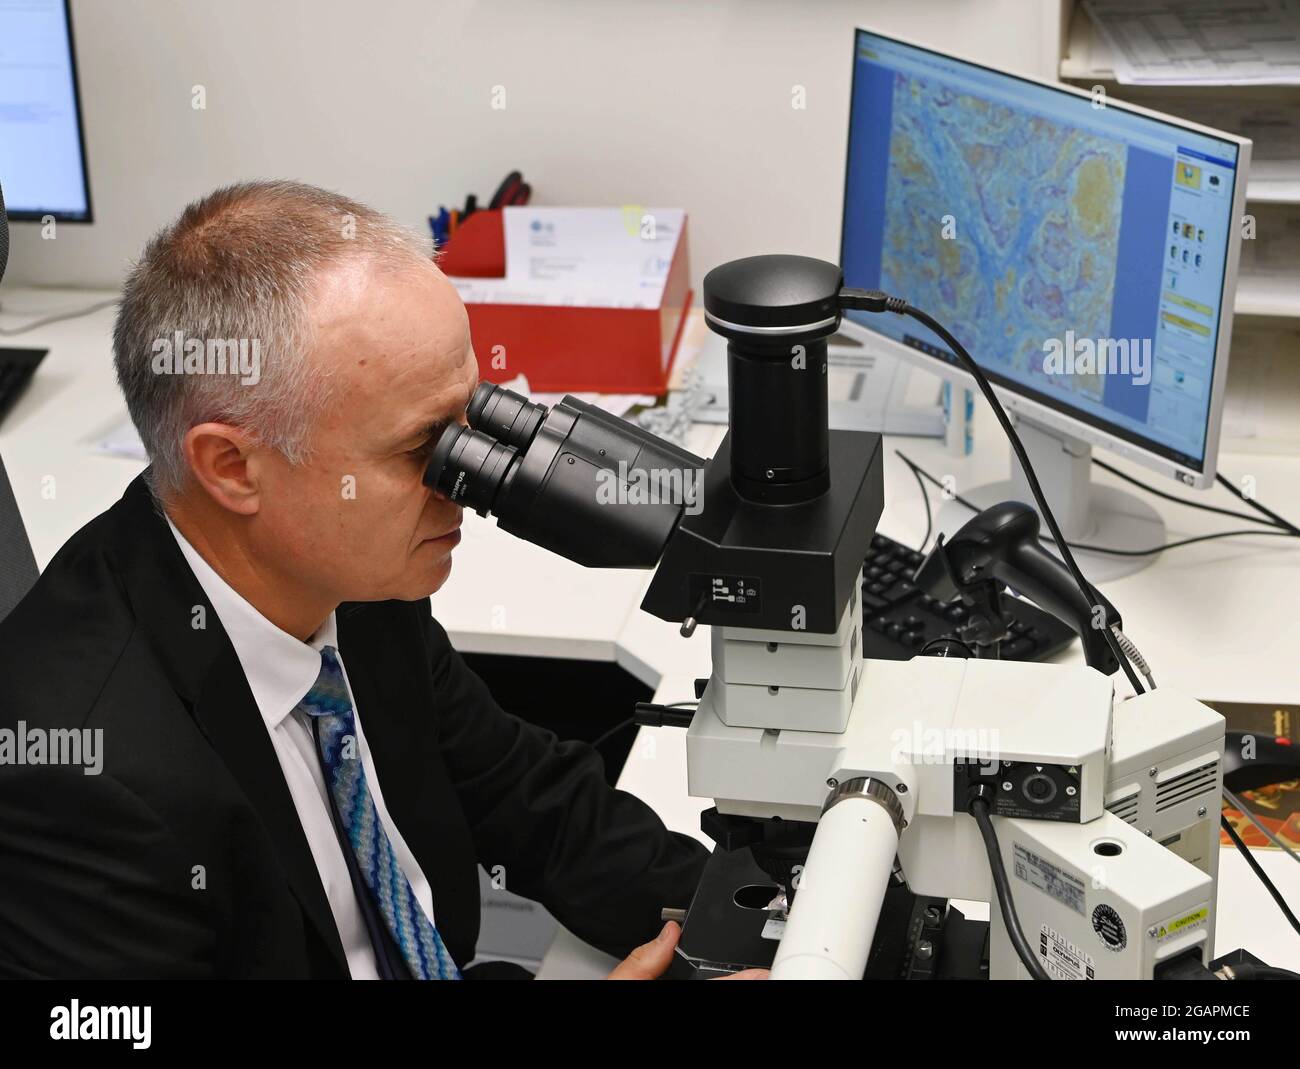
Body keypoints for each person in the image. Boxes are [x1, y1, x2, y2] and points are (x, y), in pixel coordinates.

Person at [0, 180, 762, 980]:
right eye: (421, 447)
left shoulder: (346, 580)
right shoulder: (72, 782)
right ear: (231, 466)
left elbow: (533, 802)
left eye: (474, 418)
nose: (467, 481)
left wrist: (766, 922)